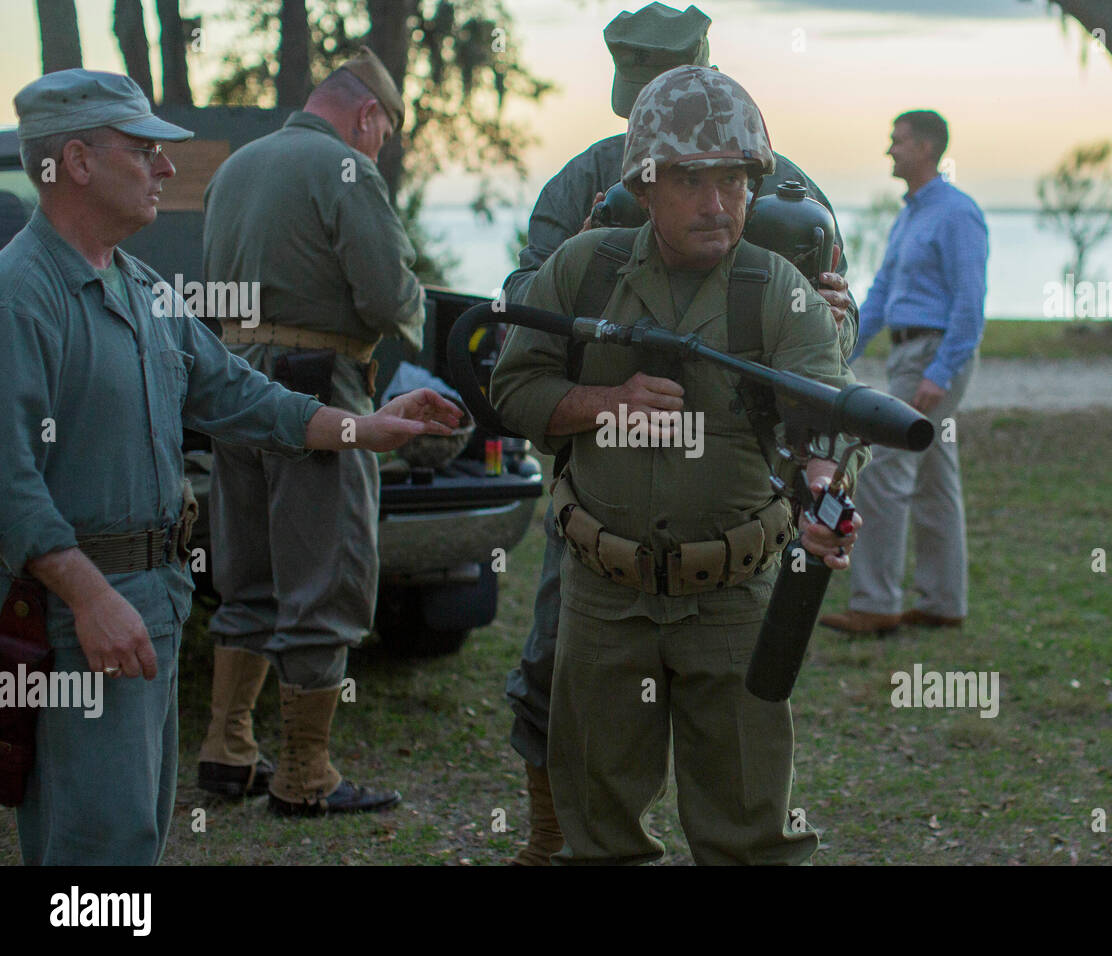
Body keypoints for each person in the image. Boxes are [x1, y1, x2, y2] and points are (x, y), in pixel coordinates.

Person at [0, 69, 462, 865]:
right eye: (144, 150)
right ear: (77, 161)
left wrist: (368, 428)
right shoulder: (20, 296)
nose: (167, 169)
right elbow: (7, 478)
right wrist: (89, 597)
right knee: (92, 843)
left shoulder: (141, 288)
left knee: (135, 833)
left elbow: (245, 397)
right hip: (83, 616)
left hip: (155, 600)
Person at [499, 0, 858, 866]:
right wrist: (600, 403)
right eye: (691, 181)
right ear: (644, 182)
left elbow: (823, 404)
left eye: (733, 181)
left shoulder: (776, 277)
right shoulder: (583, 258)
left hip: (733, 591)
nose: (717, 202)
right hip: (602, 584)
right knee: (600, 832)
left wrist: (821, 488)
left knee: (748, 832)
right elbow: (512, 381)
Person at [197, 48, 428, 816]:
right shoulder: (347, 170)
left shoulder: (238, 166)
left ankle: (227, 749)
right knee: (326, 572)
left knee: (248, 573)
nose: (379, 148)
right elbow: (386, 294)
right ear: (368, 115)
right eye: (384, 133)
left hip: (232, 382)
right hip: (318, 387)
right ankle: (305, 775)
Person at [819, 110, 988, 636]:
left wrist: (939, 372)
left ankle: (876, 604)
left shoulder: (958, 213)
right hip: (906, 354)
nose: (891, 150)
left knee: (884, 470)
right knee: (936, 479)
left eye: (900, 141)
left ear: (928, 148)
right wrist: (839, 351)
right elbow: (883, 296)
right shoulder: (911, 215)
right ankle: (943, 603)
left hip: (933, 358)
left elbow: (970, 302)